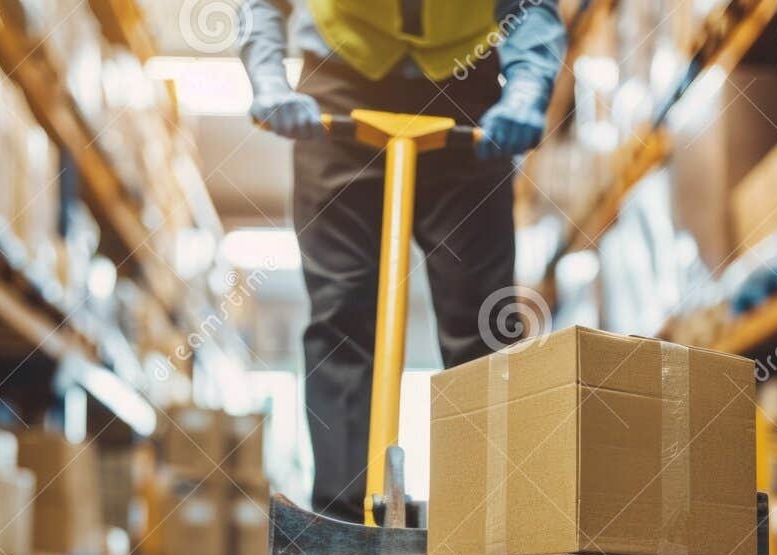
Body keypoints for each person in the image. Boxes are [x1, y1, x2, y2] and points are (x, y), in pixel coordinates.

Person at [239, 0, 564, 522]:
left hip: (467, 93)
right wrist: (268, 78)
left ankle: (488, 524)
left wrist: (528, 86)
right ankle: (344, 524)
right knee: (340, 311)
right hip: (340, 84)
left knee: (482, 323)